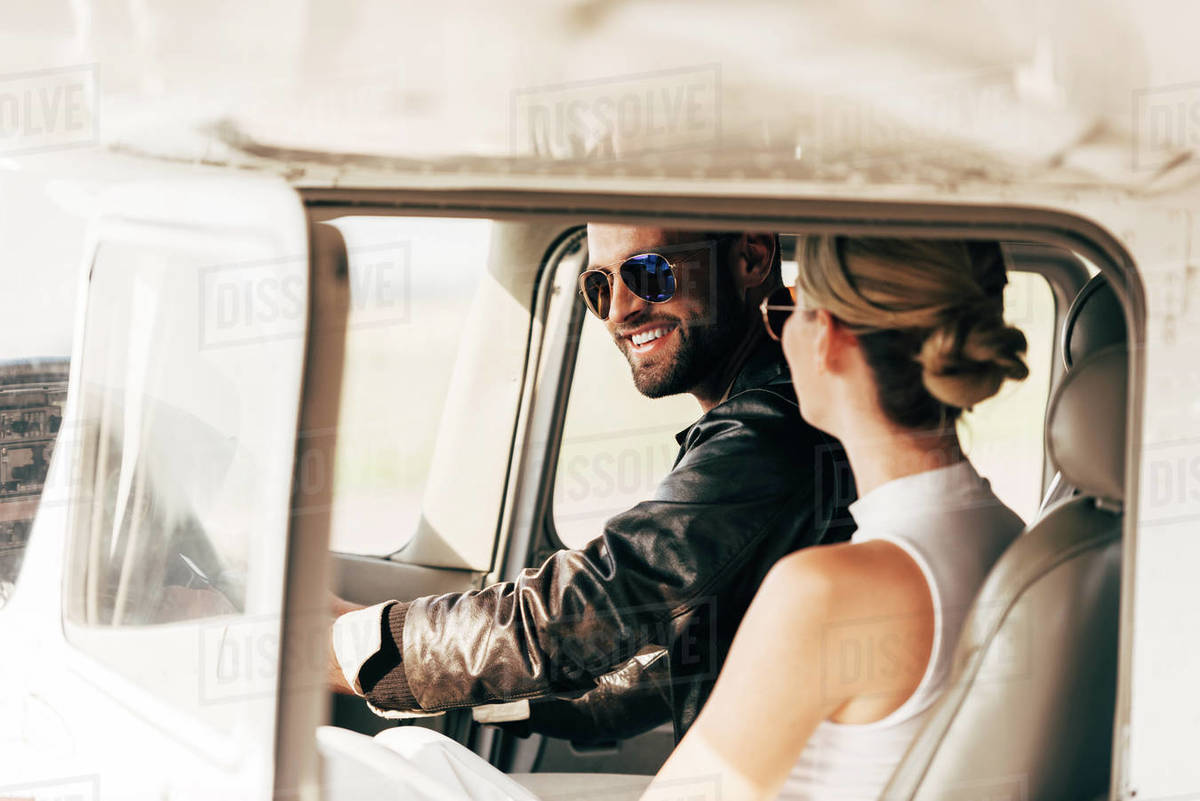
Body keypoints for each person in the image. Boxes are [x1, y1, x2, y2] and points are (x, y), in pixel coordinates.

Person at [328, 226, 853, 744]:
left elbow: (595, 598)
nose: (619, 311)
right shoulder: (766, 413)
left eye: (649, 273)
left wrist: (353, 648)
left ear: (752, 257)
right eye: (599, 286)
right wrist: (510, 705)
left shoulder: (770, 433)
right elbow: (687, 647)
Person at [643, 236, 1030, 801]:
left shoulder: (826, 594)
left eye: (787, 308)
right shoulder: (1010, 534)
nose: (779, 332)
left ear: (824, 336)